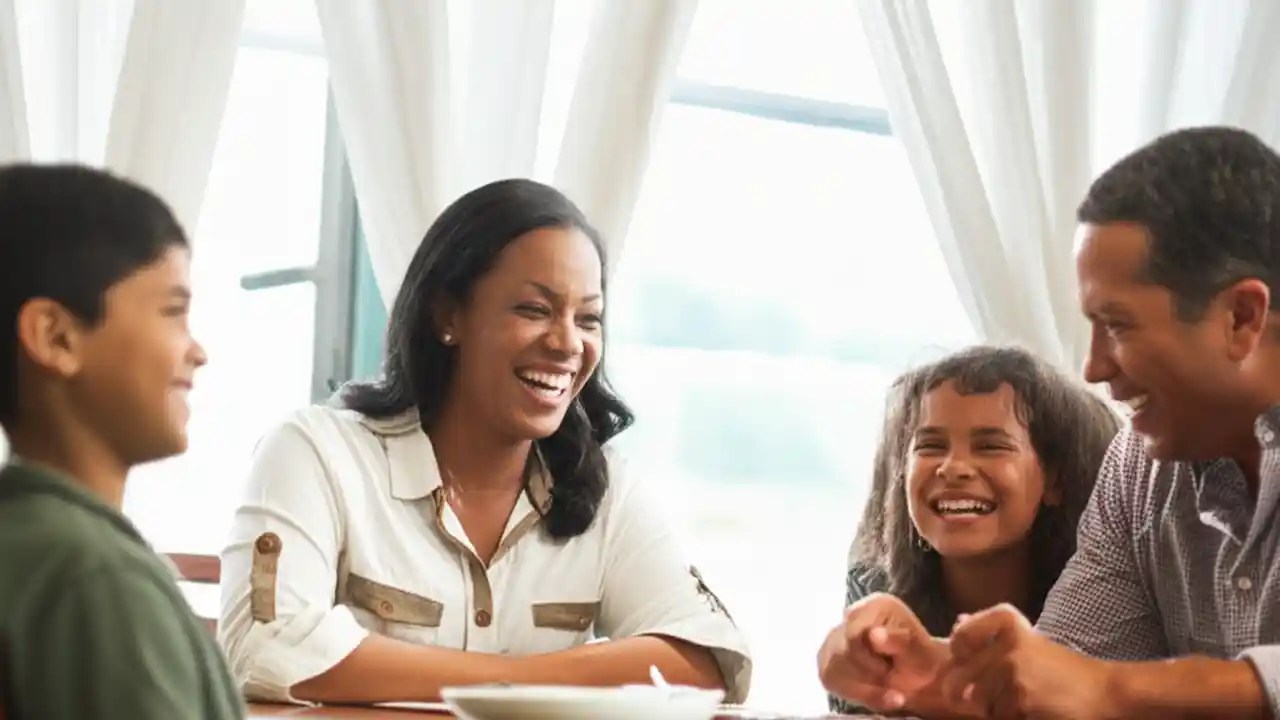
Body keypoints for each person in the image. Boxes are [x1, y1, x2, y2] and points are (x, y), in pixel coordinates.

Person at [218, 178, 751, 705]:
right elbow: (268, 646)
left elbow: (707, 658)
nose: (568, 342)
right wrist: (533, 682)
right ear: (449, 314)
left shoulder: (607, 488)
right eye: (534, 310)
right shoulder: (316, 453)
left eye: (588, 318)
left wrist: (513, 683)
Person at [818, 125, 1280, 719]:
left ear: (1240, 317)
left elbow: (1094, 689)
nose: (1092, 368)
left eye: (1118, 325)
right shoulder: (1137, 467)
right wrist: (925, 675)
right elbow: (1060, 675)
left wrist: (1109, 691)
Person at [0, 164, 242, 719]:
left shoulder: (28, 542)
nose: (196, 350)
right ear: (56, 337)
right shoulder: (94, 574)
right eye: (173, 312)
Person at [828, 346, 1118, 716]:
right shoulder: (873, 585)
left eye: (991, 446)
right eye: (930, 446)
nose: (953, 468)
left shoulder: (1105, 592)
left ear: (1055, 480)